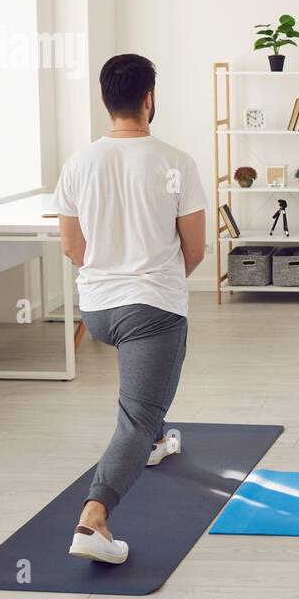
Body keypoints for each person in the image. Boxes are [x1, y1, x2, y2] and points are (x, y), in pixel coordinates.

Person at [55, 53, 206, 565]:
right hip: (151, 309)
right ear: (149, 99)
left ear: (106, 100)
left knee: (148, 396)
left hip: (96, 311)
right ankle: (93, 520)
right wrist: (157, 284)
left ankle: (159, 440)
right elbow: (197, 248)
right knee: (135, 417)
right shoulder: (176, 161)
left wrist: (110, 277)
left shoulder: (78, 162)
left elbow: (72, 246)